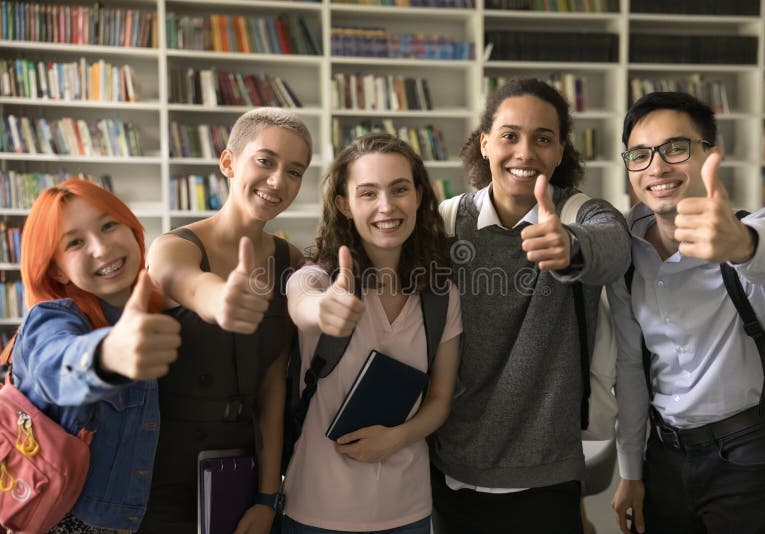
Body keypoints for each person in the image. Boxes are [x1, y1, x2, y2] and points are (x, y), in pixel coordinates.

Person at [429, 77, 630, 534]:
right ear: (484, 144)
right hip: (451, 465)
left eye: (543, 139)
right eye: (509, 136)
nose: (525, 152)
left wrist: (570, 247)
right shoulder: (446, 220)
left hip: (549, 470)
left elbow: (614, 246)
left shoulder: (581, 214)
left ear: (560, 152)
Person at [608, 91, 765, 534]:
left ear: (711, 154)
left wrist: (743, 245)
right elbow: (632, 371)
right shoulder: (626, 253)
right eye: (640, 154)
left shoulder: (756, 229)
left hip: (750, 453)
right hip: (665, 456)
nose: (656, 167)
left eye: (676, 148)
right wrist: (631, 470)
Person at [282, 132, 462, 533]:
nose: (386, 206)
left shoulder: (440, 295)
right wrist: (321, 310)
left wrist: (397, 437)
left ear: (419, 195)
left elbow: (440, 398)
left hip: (409, 511)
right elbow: (301, 299)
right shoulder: (319, 279)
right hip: (315, 509)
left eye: (399, 189)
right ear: (344, 205)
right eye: (368, 193)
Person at [142, 107, 311, 532]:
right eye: (265, 161)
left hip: (241, 466)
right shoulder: (172, 246)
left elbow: (274, 384)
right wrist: (222, 301)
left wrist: (266, 496)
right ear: (228, 162)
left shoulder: (289, 260)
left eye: (294, 171)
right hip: (162, 469)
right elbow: (189, 284)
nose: (278, 181)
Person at [0, 178, 181, 532]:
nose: (101, 248)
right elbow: (55, 363)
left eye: (109, 225)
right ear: (55, 268)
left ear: (131, 227)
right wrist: (107, 355)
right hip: (62, 520)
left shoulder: (158, 311)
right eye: (76, 243)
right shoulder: (51, 317)